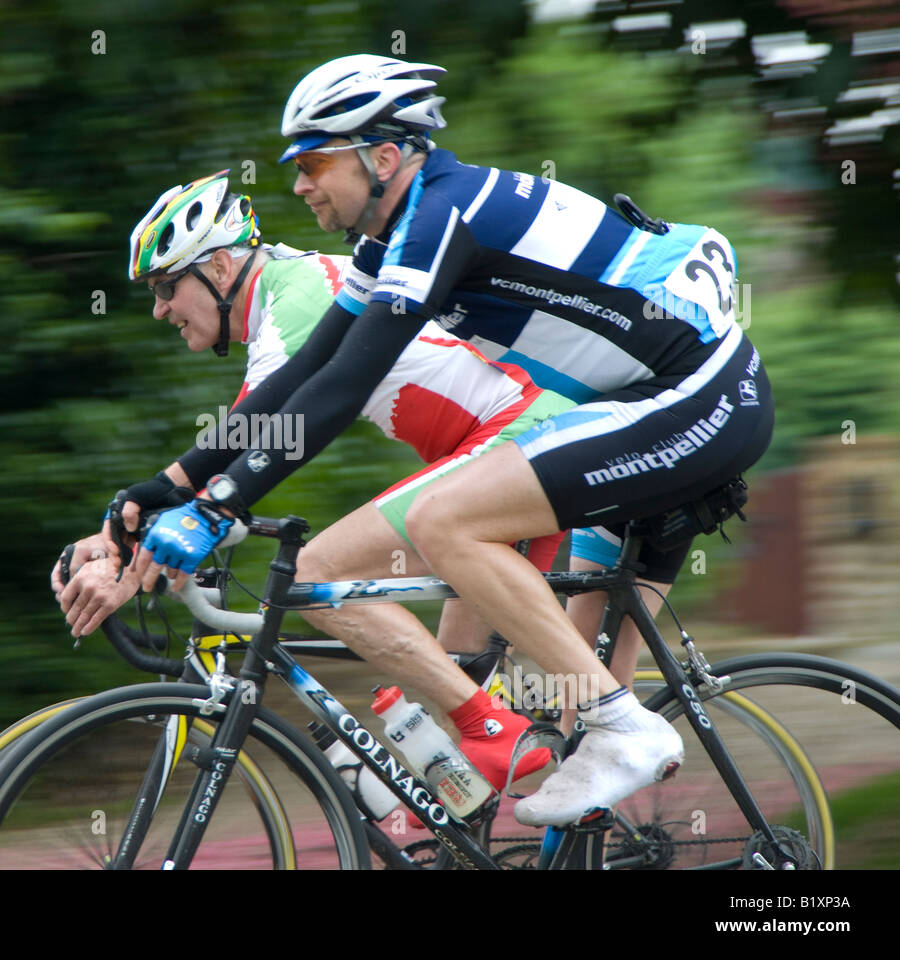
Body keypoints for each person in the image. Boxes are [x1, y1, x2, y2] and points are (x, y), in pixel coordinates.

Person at [124, 55, 775, 827]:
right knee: (563, 711)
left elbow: (336, 393)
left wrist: (216, 505)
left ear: (384, 157)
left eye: (312, 162)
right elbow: (308, 370)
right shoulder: (397, 236)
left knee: (444, 521)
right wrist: (171, 487)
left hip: (694, 396)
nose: (299, 185)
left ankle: (625, 727)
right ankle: (586, 754)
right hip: (642, 406)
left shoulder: (442, 217)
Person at [55, 168, 585, 791]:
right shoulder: (286, 292)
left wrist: (145, 551)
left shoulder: (296, 295)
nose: (159, 309)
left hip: (519, 437)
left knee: (317, 574)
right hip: (495, 453)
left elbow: (265, 436)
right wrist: (126, 520)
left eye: (168, 286)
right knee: (461, 688)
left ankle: (506, 744)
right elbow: (234, 441)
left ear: (221, 270)